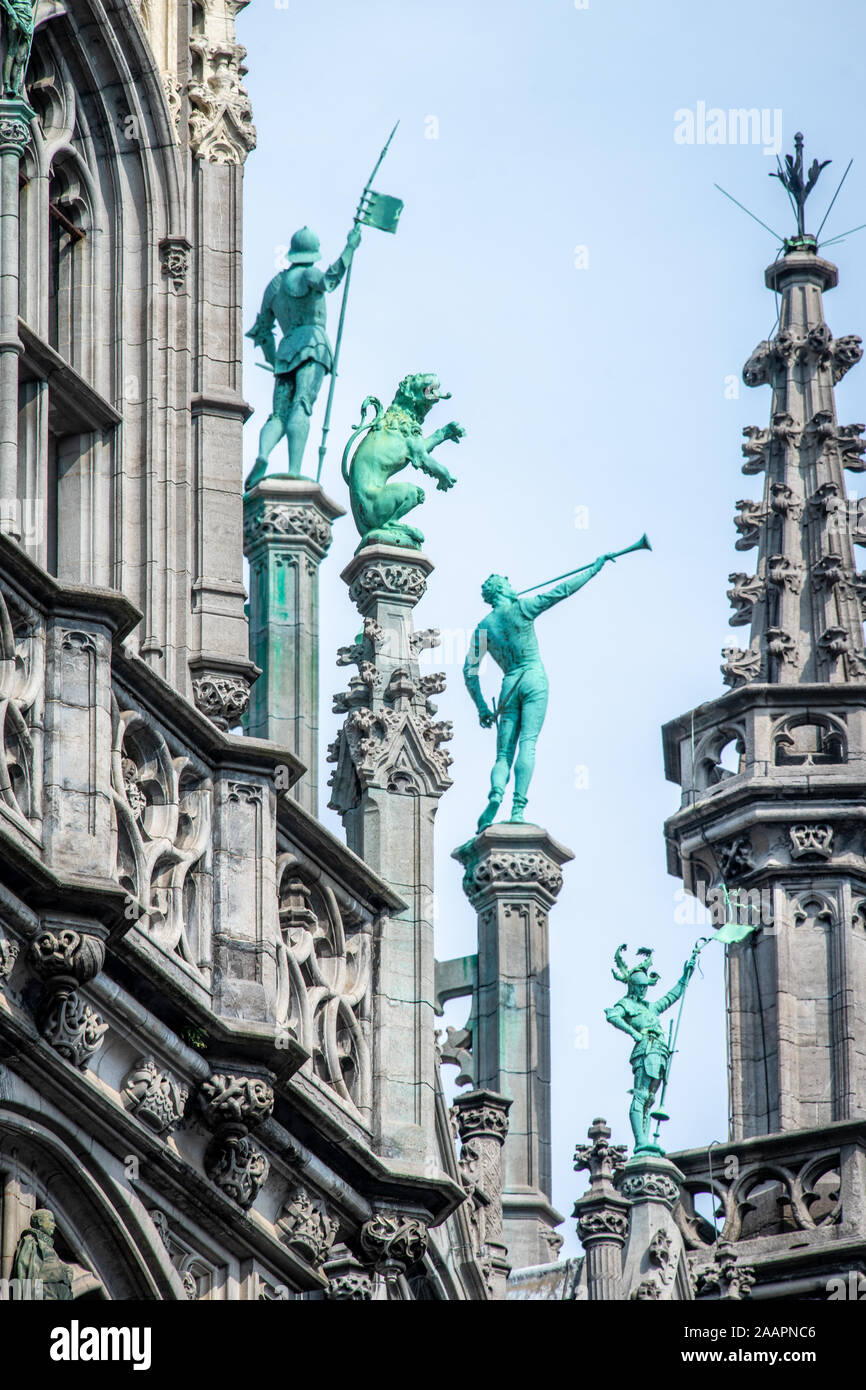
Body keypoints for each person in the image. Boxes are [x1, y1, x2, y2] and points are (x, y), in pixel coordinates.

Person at [463, 553, 615, 830]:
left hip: (509, 684)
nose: (512, 586)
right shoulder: (522, 608)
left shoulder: (483, 628)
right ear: (501, 590)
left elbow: (469, 673)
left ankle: (496, 794)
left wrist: (483, 708)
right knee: (528, 743)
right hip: (533, 677)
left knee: (502, 755)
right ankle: (518, 809)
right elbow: (562, 591)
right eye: (508, 584)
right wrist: (594, 569)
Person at [245, 224, 360, 486]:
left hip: (286, 352)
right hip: (313, 345)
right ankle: (294, 468)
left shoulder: (274, 285)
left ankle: (263, 455)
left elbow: (262, 332)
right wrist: (350, 247)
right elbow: (329, 280)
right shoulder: (309, 274)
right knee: (302, 405)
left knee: (278, 415)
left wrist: (274, 360)